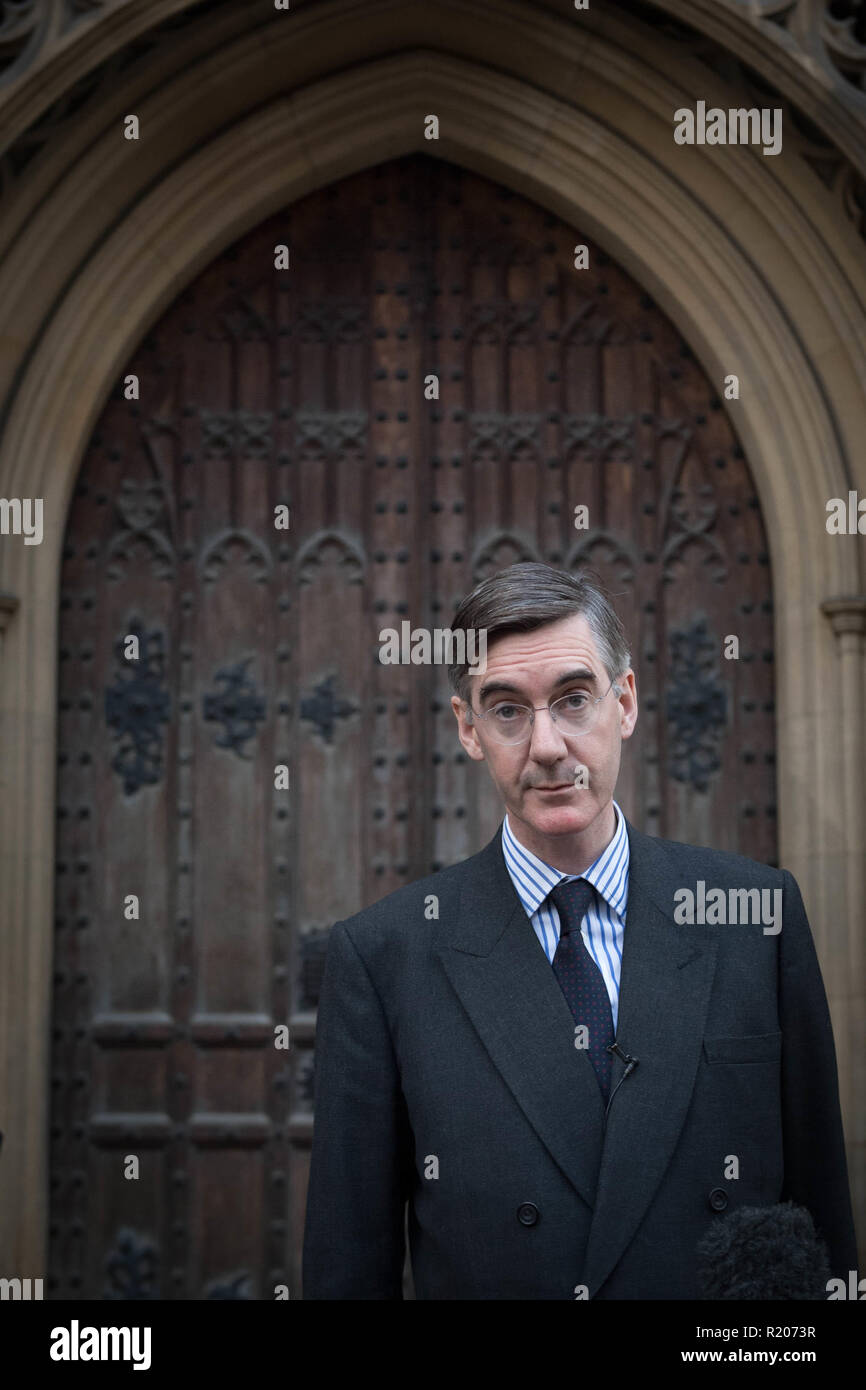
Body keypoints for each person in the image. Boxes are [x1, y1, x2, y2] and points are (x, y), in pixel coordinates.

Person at [302, 561, 857, 1299]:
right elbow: (348, 1268)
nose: (548, 745)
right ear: (467, 728)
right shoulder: (384, 959)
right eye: (507, 710)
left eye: (573, 699)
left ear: (624, 702)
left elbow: (821, 1227)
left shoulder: (757, 919)